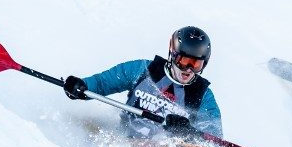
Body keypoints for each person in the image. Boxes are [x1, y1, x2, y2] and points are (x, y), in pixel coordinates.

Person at [63, 26, 223, 138]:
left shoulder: (203, 95)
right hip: (126, 144)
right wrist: (81, 87)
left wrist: (188, 131)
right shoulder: (143, 70)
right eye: (185, 61)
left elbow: (214, 137)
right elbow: (102, 83)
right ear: (173, 54)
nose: (188, 69)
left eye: (196, 65)